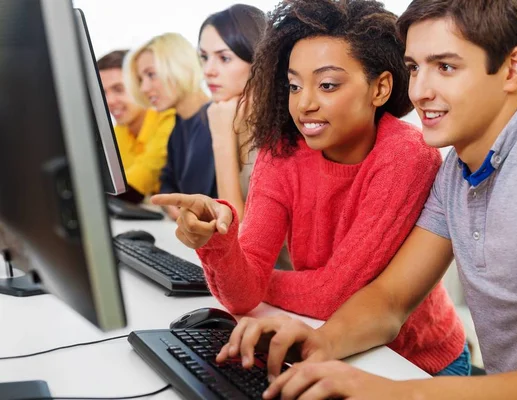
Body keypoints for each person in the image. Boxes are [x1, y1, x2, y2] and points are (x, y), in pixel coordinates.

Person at [211, 0, 517, 398]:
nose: (419, 91)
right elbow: (390, 299)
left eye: (446, 67)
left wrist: (401, 393)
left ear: (513, 69)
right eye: (414, 68)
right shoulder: (456, 174)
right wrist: (321, 343)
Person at [153, 0, 469, 377]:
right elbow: (241, 295)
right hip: (329, 346)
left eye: (328, 85)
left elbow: (334, 297)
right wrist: (219, 241)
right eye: (294, 85)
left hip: (413, 362)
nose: (304, 104)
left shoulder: (406, 155)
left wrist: (257, 279)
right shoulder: (281, 152)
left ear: (381, 88)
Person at [124, 33, 211, 220]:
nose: (144, 88)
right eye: (141, 79)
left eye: (151, 75)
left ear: (180, 67)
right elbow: (167, 180)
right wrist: (171, 203)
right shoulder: (178, 127)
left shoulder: (215, 121)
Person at [199, 4, 266, 221]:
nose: (208, 70)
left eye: (224, 58)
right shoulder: (231, 117)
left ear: (259, 61)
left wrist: (221, 140)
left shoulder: (281, 137)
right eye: (204, 56)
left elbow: (240, 238)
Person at [98, 50, 175, 203]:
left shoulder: (168, 119)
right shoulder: (120, 130)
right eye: (102, 93)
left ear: (140, 87)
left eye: (118, 89)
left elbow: (131, 190)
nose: (109, 101)